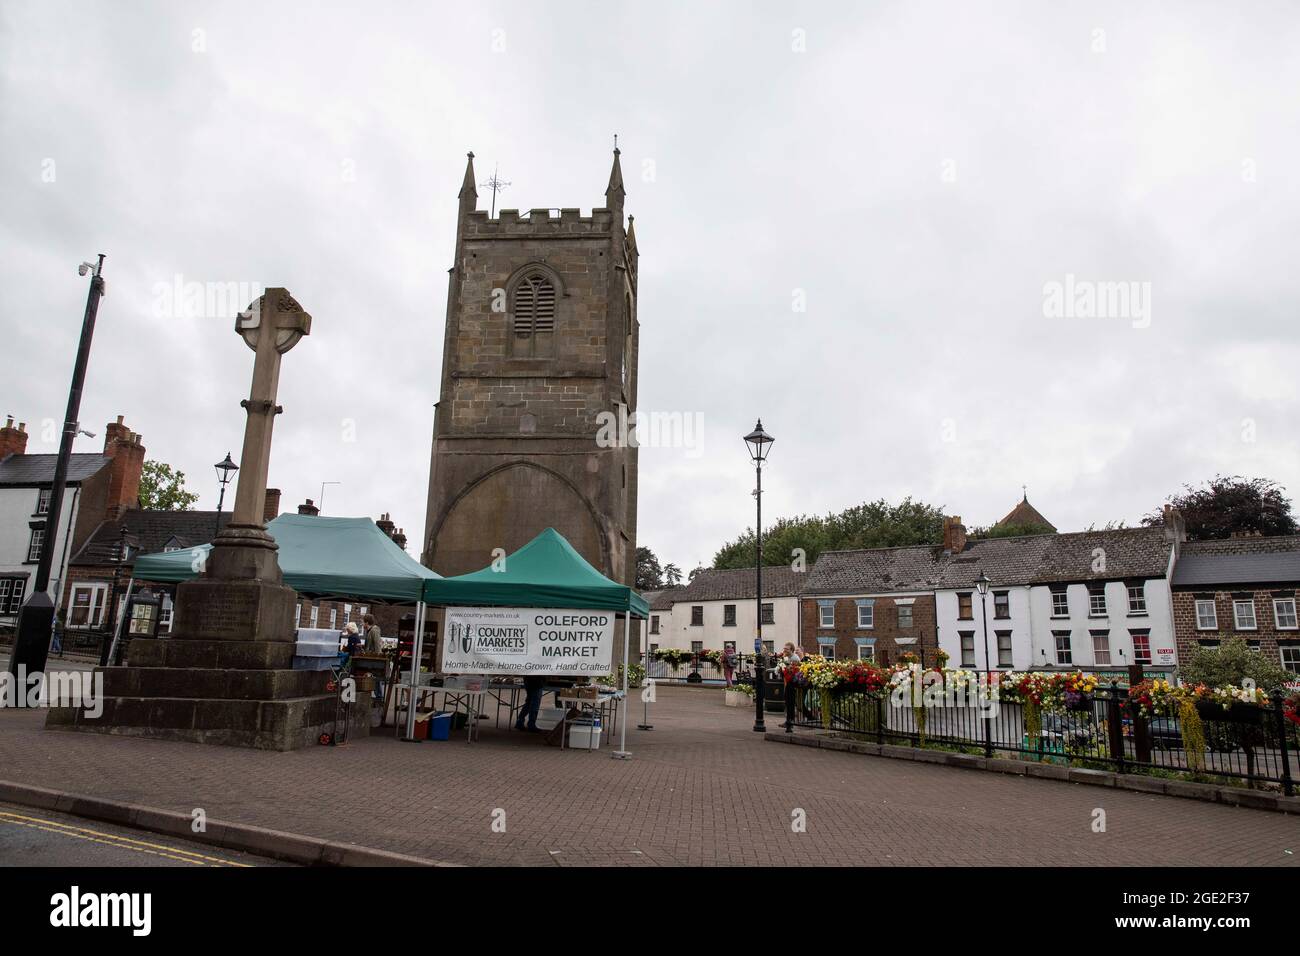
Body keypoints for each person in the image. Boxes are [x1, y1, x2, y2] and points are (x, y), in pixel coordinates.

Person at [779, 642, 803, 732]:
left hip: (793, 684)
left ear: (791, 650)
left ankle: (790, 722)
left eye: (787, 649)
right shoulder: (786, 657)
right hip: (788, 683)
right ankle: (788, 721)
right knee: (787, 702)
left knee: (791, 703)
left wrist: (785, 669)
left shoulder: (794, 658)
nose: (784, 650)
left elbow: (794, 672)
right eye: (784, 648)